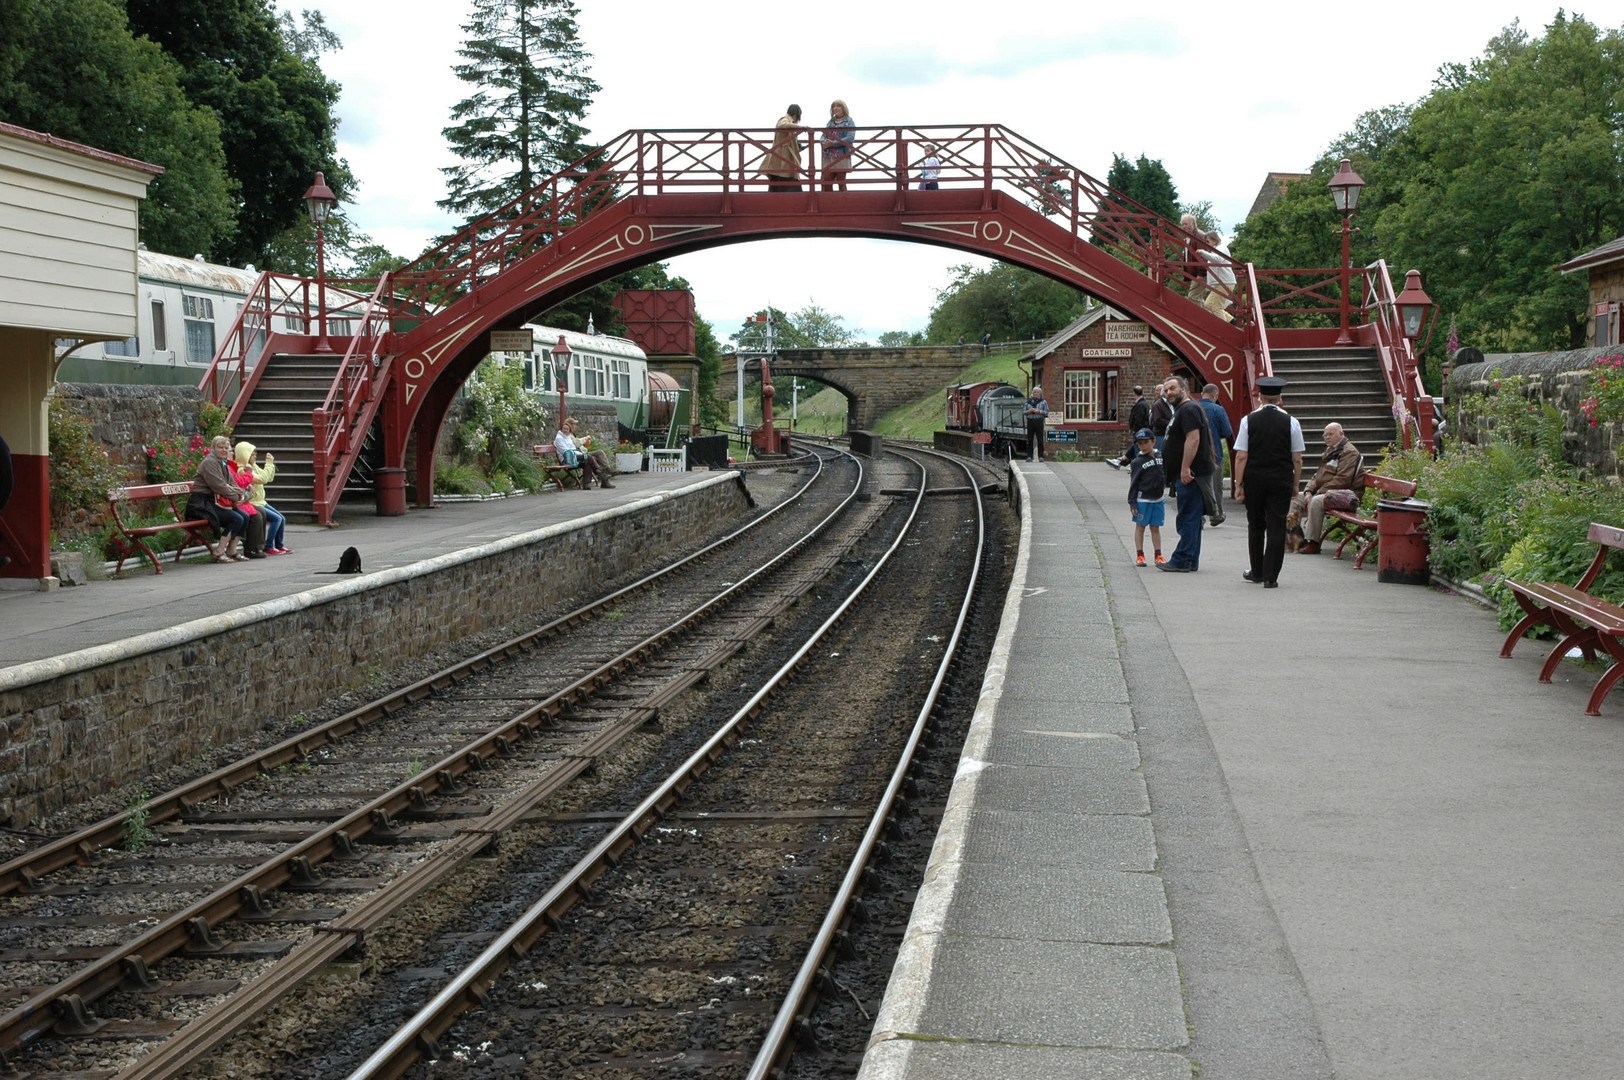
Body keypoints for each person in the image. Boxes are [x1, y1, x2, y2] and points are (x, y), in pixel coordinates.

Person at [1233, 376, 1305, 588]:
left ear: (1260, 397)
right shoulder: (1291, 421)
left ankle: (1256, 571)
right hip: (1281, 478)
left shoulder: (1248, 420)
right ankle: (1271, 576)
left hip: (1254, 478)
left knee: (1255, 525)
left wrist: (1239, 484)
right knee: (1276, 525)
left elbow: (1241, 456)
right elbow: (1297, 457)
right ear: (1280, 398)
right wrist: (1295, 484)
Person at [1157, 376, 1214, 573]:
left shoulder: (1188, 409)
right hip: (1187, 473)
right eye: (1166, 390)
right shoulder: (1183, 409)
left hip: (1191, 474)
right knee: (1192, 516)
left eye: (1172, 388)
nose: (1168, 393)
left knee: (1188, 516)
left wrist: (1185, 467)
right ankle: (1190, 559)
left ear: (1184, 388)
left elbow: (1193, 439)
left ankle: (1182, 559)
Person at [1290, 422, 1361, 555]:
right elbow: (1318, 475)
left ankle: (1313, 542)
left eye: (1330, 434)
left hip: (1347, 495)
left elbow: (1343, 480)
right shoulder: (1331, 450)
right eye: (1325, 435)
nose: (1327, 437)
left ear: (1342, 434)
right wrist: (1309, 491)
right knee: (1295, 498)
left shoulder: (1349, 452)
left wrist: (1318, 492)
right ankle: (1295, 539)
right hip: (1327, 492)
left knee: (1316, 501)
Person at [184, 435, 251, 562]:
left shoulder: (222, 463)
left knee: (245, 517)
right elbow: (218, 486)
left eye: (226, 448)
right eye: (220, 447)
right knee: (235, 518)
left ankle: (232, 550)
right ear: (213, 448)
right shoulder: (210, 462)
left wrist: (241, 494)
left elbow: (232, 483)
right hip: (201, 504)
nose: (224, 450)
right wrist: (236, 498)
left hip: (216, 501)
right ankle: (219, 552)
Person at [235, 440, 289, 555]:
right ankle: (268, 546)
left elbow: (268, 478)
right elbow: (262, 479)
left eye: (255, 454)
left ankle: (279, 545)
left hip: (261, 501)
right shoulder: (242, 469)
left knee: (282, 518)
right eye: (252, 454)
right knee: (276, 519)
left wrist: (271, 465)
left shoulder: (253, 466)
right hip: (254, 501)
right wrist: (269, 463)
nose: (255, 456)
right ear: (246, 455)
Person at [1126, 428, 1165, 567]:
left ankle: (1158, 555)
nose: (1143, 445)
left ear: (1153, 441)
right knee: (1140, 526)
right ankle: (1140, 555)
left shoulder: (1160, 457)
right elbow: (1134, 483)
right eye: (1140, 443)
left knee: (1155, 527)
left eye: (1146, 442)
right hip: (1143, 499)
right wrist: (1132, 503)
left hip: (1158, 499)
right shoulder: (1137, 462)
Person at [1196, 384, 1234, 526]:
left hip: (1194, 454)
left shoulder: (1191, 408)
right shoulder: (1218, 410)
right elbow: (1227, 431)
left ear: (1202, 393)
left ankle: (1199, 517)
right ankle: (1216, 515)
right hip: (1214, 452)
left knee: (1198, 487)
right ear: (1215, 395)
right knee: (1215, 486)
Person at [555, 418, 615, 489]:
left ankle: (586, 484)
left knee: (587, 462)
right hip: (567, 459)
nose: (565, 430)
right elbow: (565, 451)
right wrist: (580, 454)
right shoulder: (559, 438)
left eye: (567, 429)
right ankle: (600, 473)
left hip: (574, 456)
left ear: (569, 430)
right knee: (588, 457)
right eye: (564, 429)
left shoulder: (567, 437)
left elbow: (573, 448)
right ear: (561, 429)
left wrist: (579, 453)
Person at [761, 104, 803, 192]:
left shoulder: (789, 121)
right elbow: (782, 125)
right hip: (782, 158)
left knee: (779, 181)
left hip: (782, 158)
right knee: (784, 179)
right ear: (797, 114)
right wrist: (800, 127)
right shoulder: (785, 119)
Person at [1107, 385, 1150, 469]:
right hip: (1142, 430)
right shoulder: (1144, 403)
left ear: (1134, 393)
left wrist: (1135, 429)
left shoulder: (1140, 404)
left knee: (1138, 448)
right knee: (1135, 447)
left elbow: (1139, 419)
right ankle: (1121, 461)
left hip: (1139, 431)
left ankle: (1135, 464)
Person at [1199, 230, 1237, 322]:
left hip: (1224, 282)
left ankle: (1226, 329)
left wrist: (1203, 253)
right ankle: (1231, 321)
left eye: (1207, 241)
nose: (1206, 244)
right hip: (1221, 282)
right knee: (1208, 304)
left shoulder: (1221, 248)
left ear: (1214, 240)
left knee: (1216, 307)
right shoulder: (1215, 250)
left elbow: (1218, 259)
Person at [821, 100, 855, 191]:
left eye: (838, 106)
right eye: (834, 106)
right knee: (827, 181)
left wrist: (834, 143)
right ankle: (828, 203)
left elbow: (850, 137)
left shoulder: (849, 121)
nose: (835, 108)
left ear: (843, 108)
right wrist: (824, 142)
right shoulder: (831, 121)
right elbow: (824, 135)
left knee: (841, 182)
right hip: (828, 155)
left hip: (841, 155)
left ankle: (843, 203)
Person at [1180, 214, 1208, 305]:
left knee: (1193, 297)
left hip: (1201, 273)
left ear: (1193, 224)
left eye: (1186, 224)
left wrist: (1201, 274)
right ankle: (1210, 316)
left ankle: (1206, 317)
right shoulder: (1189, 237)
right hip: (1196, 273)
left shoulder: (1199, 236)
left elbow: (1202, 256)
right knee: (1197, 297)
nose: (1184, 226)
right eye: (1182, 224)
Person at [1023, 386, 1049, 462]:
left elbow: (1047, 412)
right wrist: (1030, 411)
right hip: (1030, 421)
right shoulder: (1028, 402)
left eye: (1037, 392)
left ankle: (1041, 456)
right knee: (1030, 439)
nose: (1036, 394)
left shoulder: (1043, 402)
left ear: (1040, 394)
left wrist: (1039, 411)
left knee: (1040, 439)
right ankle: (1029, 456)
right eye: (1034, 392)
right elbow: (1023, 412)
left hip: (1039, 421)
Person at [1149, 382, 1174, 455]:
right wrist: (1172, 423)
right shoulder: (1158, 404)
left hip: (1168, 434)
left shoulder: (1170, 404)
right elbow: (1157, 420)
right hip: (1160, 435)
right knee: (1160, 455)